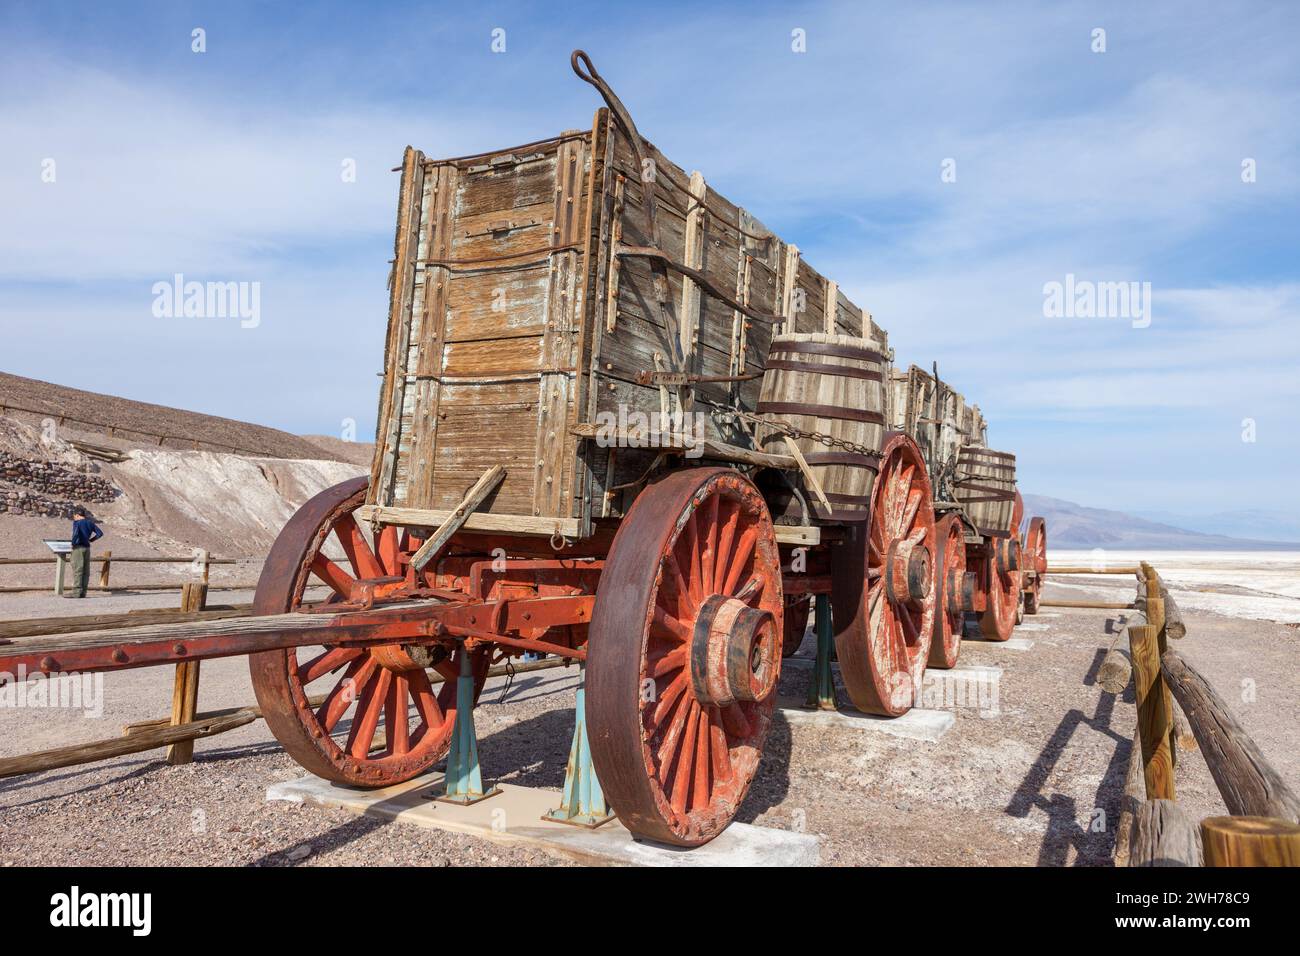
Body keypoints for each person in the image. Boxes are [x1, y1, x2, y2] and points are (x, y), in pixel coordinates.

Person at [67, 506, 104, 598]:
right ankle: (83, 592)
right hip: (87, 548)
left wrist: (73, 543)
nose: (74, 518)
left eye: (74, 516)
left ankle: (76, 592)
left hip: (78, 547)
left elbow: (76, 534)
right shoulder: (90, 523)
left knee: (78, 570)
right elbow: (100, 533)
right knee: (85, 571)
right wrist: (91, 540)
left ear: (77, 515)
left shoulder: (77, 523)